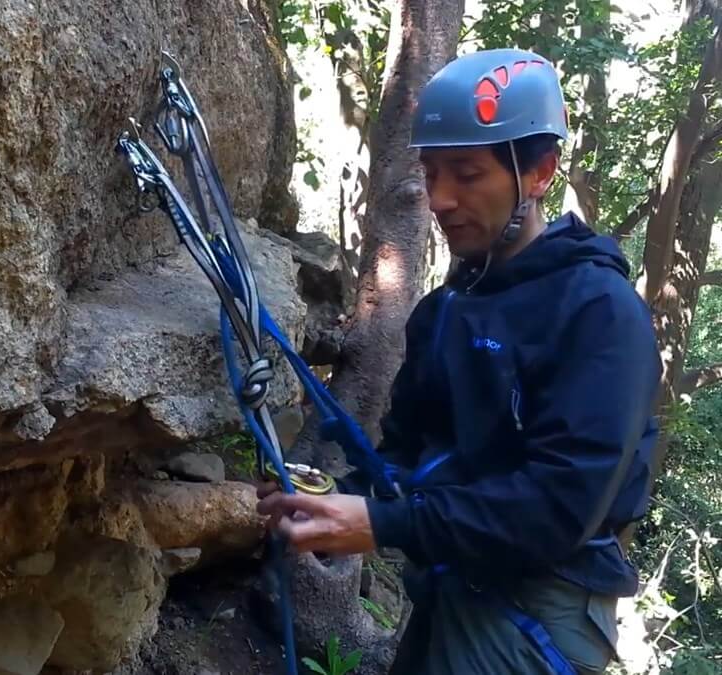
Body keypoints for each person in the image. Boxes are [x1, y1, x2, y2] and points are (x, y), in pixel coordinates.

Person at [256, 48, 662, 674]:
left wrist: (386, 523)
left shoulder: (598, 313)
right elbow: (408, 454)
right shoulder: (444, 310)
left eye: (467, 174)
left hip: (538, 611)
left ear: (540, 171)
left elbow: (557, 508)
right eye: (432, 173)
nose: (440, 199)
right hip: (452, 587)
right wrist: (330, 497)